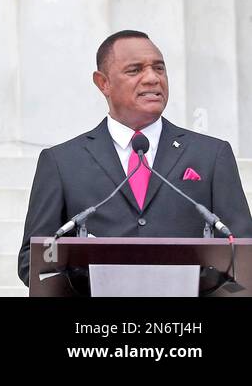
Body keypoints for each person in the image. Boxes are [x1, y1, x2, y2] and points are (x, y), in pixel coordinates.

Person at [17, 29, 252, 288]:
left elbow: (242, 252)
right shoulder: (62, 162)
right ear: (103, 83)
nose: (152, 78)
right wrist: (90, 270)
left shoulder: (211, 155)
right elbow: (33, 260)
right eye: (135, 70)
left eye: (159, 69)